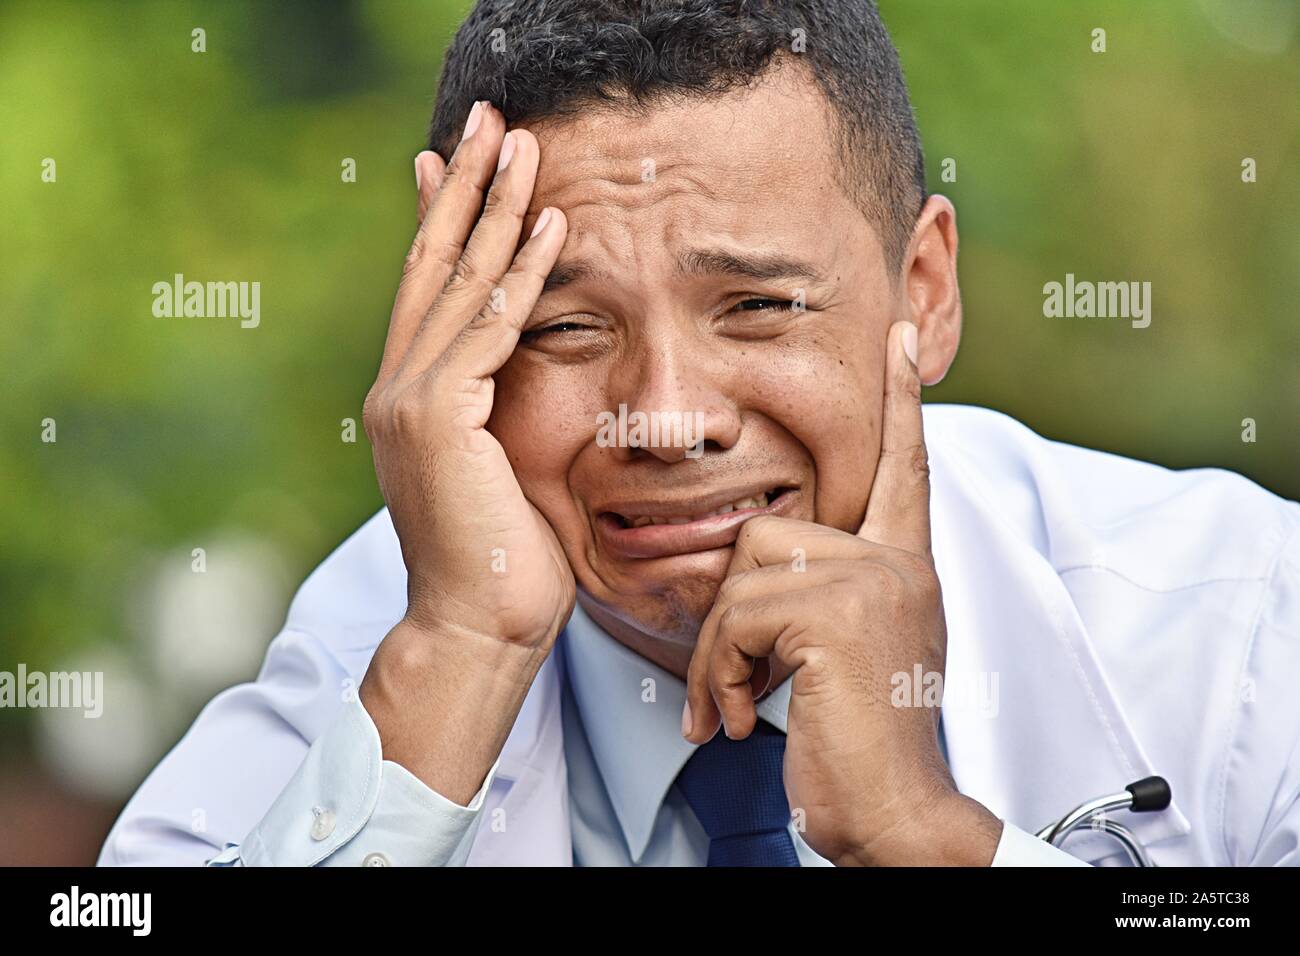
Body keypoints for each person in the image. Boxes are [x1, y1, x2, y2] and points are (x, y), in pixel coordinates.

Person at [99, 0, 1299, 867]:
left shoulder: (1242, 625)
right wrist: (457, 654)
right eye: (564, 327)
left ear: (924, 292)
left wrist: (930, 839)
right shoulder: (389, 642)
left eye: (759, 306)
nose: (666, 415)